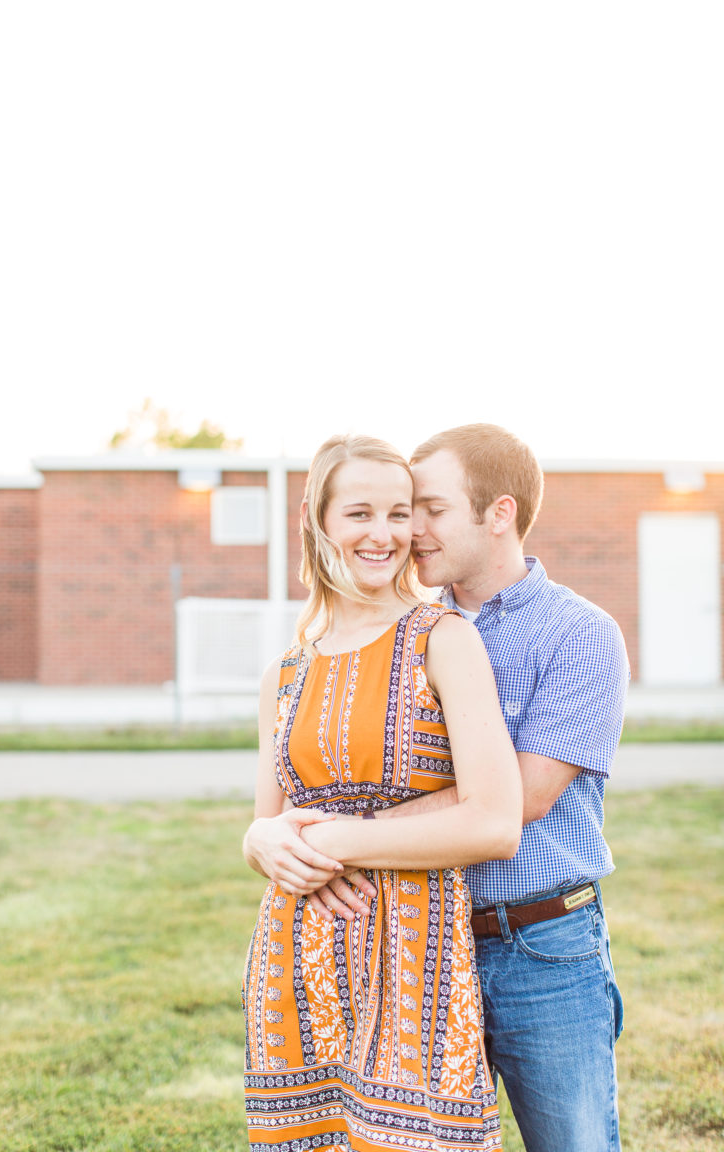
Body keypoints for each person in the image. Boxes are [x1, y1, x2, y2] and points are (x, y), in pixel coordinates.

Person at [246, 424, 629, 1152]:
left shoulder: (576, 635)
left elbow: (518, 798)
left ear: (499, 513)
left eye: (428, 508)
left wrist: (325, 838)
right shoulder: (389, 634)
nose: (408, 529)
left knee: (572, 1142)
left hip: (538, 940)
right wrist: (263, 833)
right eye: (394, 509)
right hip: (408, 938)